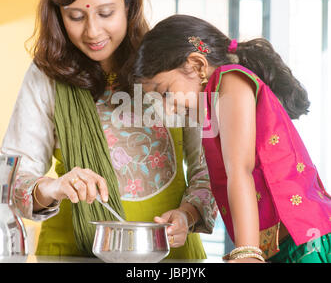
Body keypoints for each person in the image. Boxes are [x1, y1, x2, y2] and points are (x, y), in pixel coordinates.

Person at [1, 0, 217, 258]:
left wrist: (187, 215)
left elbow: (212, 168)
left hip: (170, 256)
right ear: (58, 14)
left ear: (129, 3)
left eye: (106, 13)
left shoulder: (172, 64)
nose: (92, 31)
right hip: (71, 253)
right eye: (75, 16)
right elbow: (12, 179)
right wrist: (54, 188)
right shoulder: (47, 74)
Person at [132, 14, 331, 263]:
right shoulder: (211, 106)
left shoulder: (230, 81)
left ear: (196, 65)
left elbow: (240, 172)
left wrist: (247, 254)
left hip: (305, 243)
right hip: (282, 248)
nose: (167, 109)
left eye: (165, 93)